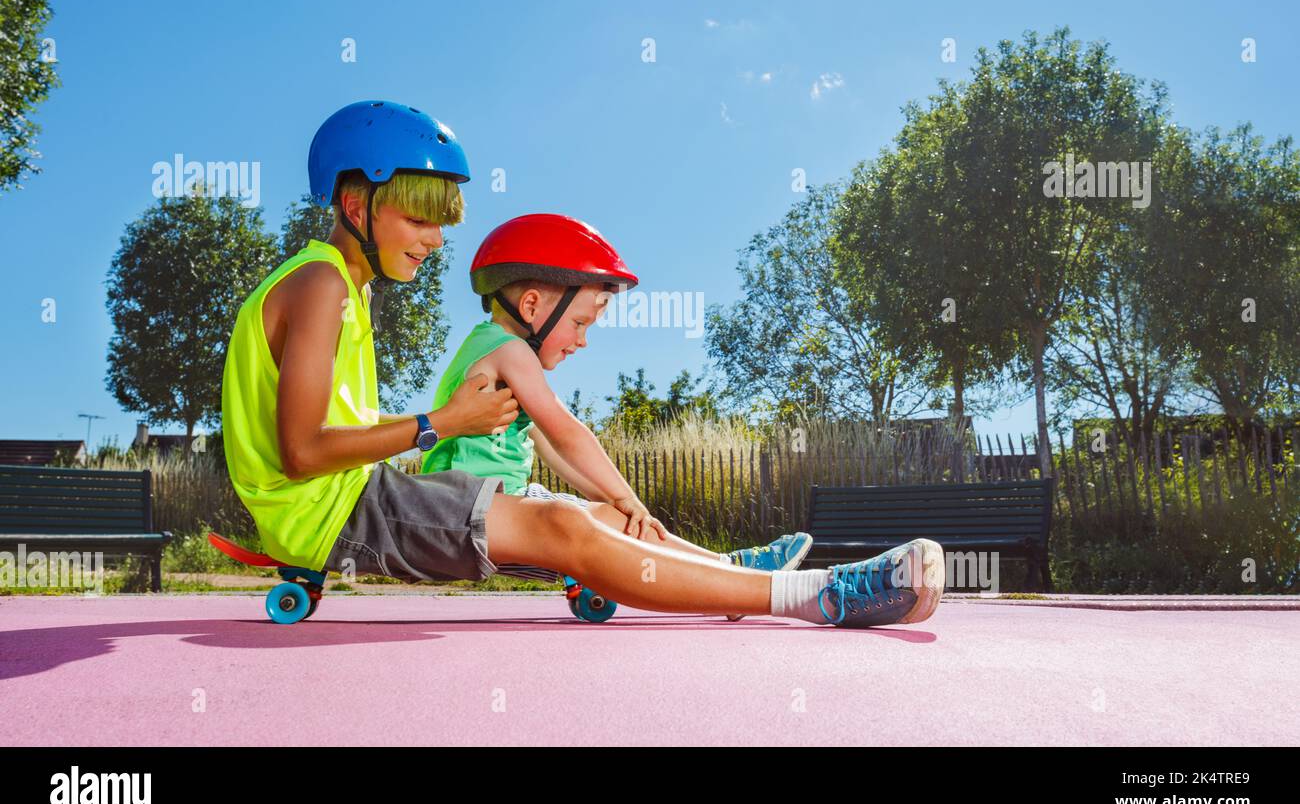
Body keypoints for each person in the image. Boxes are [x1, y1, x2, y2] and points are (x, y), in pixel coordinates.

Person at [221, 98, 945, 628]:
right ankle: (819, 596)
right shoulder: (320, 286)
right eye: (418, 217)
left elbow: (325, 433)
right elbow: (304, 450)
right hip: (333, 515)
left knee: (584, 516)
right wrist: (442, 424)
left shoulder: (335, 287)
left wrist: (430, 427)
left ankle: (730, 575)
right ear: (355, 201)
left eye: (443, 221)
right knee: (567, 523)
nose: (435, 238)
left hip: (343, 503)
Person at [418, 213, 814, 620]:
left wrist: (608, 499)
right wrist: (627, 500)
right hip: (470, 507)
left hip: (479, 504)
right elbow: (566, 434)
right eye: (579, 323)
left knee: (611, 517)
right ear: (532, 304)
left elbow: (551, 450)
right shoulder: (511, 351)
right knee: (615, 520)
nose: (583, 340)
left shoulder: (488, 347)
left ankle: (727, 570)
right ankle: (730, 573)